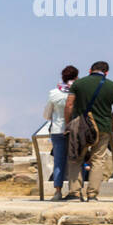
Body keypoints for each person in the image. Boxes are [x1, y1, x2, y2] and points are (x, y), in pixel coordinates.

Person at [64, 61, 113, 202]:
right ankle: (93, 194)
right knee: (98, 160)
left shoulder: (78, 84)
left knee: (76, 158)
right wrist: (110, 120)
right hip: (103, 127)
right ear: (106, 72)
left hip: (81, 127)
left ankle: (75, 193)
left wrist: (68, 123)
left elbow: (69, 104)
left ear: (90, 70)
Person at [43, 65, 78, 201]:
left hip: (58, 130)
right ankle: (74, 190)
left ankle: (58, 191)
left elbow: (47, 114)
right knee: (76, 161)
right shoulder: (77, 92)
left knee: (58, 162)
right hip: (74, 130)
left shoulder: (54, 93)